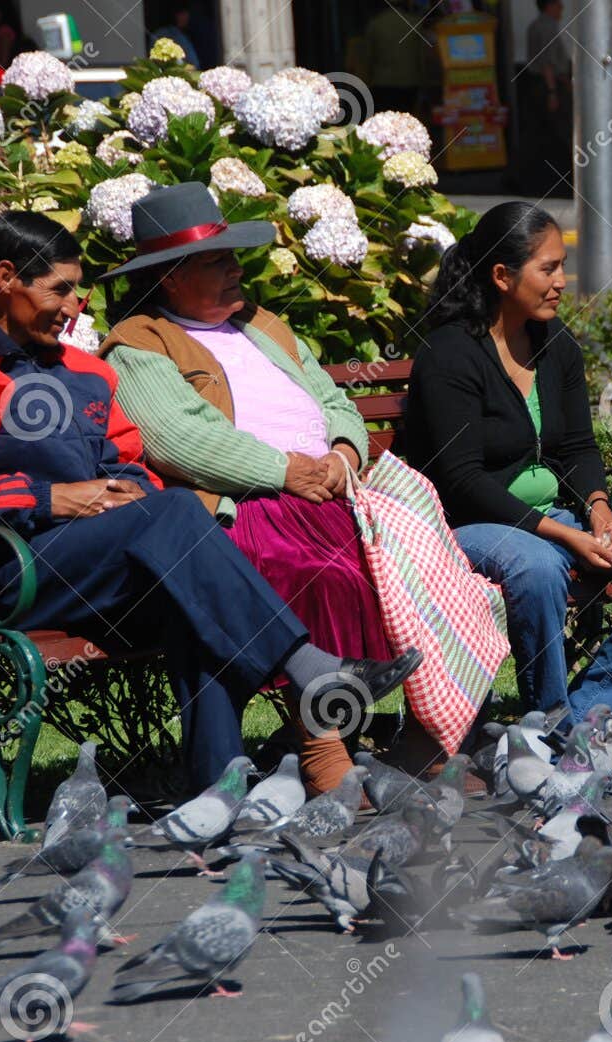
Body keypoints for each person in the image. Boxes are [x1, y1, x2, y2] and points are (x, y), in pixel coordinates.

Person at [0, 212, 420, 793]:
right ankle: (312, 670)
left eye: (76, 290)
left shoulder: (80, 369)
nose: (75, 306)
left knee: (193, 588)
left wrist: (128, 494)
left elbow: (127, 460)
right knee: (181, 517)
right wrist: (52, 498)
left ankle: (218, 792)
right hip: (9, 571)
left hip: (97, 564)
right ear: (7, 278)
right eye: (59, 289)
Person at [95, 183, 409, 793]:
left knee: (407, 562)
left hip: (330, 491)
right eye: (217, 260)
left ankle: (423, 736)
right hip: (247, 505)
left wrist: (343, 454)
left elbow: (333, 400)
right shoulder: (138, 344)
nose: (237, 270)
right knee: (319, 570)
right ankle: (325, 750)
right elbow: (178, 439)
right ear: (170, 278)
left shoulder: (264, 326)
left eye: (234, 256)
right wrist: (284, 471)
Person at [407, 202, 612, 721]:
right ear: (502, 276)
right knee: (540, 567)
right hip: (466, 524)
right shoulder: (449, 354)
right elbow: (460, 480)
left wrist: (598, 509)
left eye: (562, 266)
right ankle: (546, 715)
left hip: (553, 519)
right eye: (548, 268)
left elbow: (578, 447)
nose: (562, 281)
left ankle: (592, 709)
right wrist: (563, 536)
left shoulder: (556, 343)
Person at [523, 0, 573, 197]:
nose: (562, 8)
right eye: (558, 4)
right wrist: (553, 91)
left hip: (541, 84)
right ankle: (564, 180)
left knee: (540, 133)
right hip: (549, 85)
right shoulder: (547, 27)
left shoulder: (535, 26)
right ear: (549, 5)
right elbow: (548, 63)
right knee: (562, 133)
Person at [363, 1, 430, 118]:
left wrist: (367, 81)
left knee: (385, 124)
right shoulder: (415, 23)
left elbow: (368, 57)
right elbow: (422, 58)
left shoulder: (375, 24)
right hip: (409, 82)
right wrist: (424, 85)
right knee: (406, 122)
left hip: (382, 83)